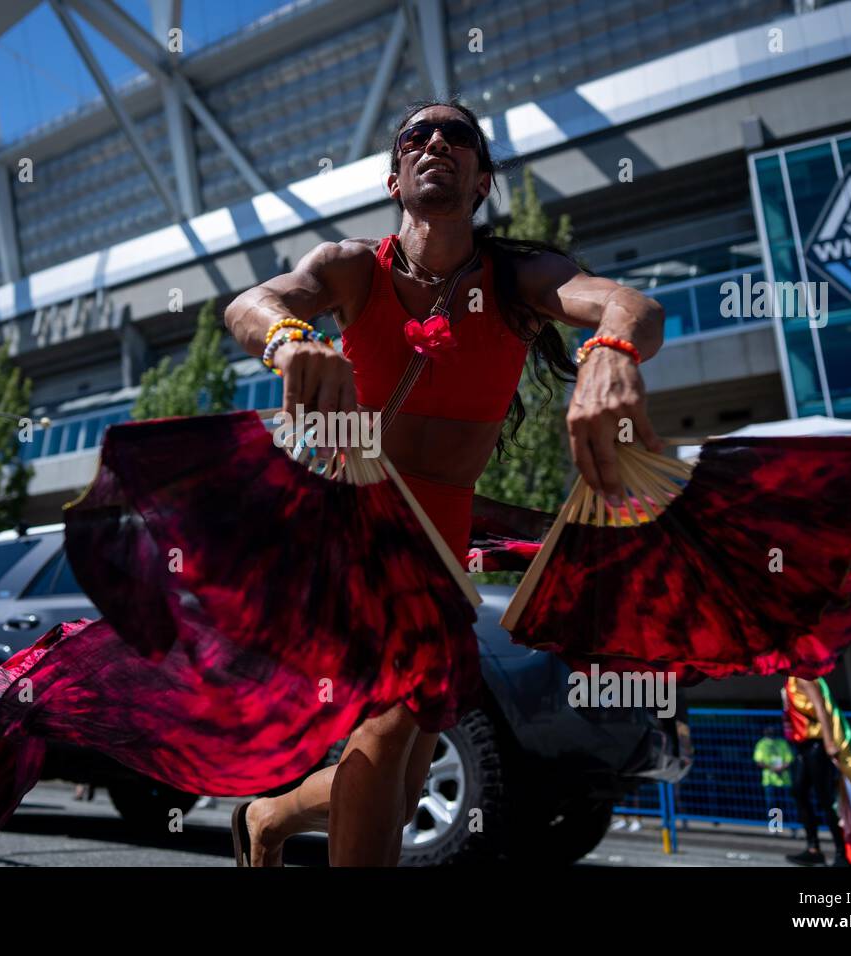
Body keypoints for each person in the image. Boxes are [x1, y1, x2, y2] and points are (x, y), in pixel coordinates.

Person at [222, 97, 665, 866]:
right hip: (352, 531)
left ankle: (268, 817)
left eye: (457, 136)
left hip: (444, 552)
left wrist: (611, 353)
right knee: (388, 726)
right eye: (416, 137)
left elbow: (629, 304)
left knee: (409, 770)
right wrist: (290, 343)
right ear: (395, 177)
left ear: (482, 178)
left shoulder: (519, 280)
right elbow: (251, 303)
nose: (436, 143)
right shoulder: (352, 268)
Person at [781, 676, 851, 866]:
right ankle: (814, 848)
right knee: (798, 791)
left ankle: (841, 854)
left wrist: (829, 743)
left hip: (817, 745)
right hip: (803, 746)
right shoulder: (790, 681)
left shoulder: (805, 677)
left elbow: (821, 709)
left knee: (825, 799)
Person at [753, 724, 794, 829]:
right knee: (773, 805)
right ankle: (775, 827)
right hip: (769, 780)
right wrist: (772, 768)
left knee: (787, 805)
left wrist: (781, 768)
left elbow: (789, 759)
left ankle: (792, 827)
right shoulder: (761, 744)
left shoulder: (782, 743)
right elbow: (758, 761)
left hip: (784, 780)